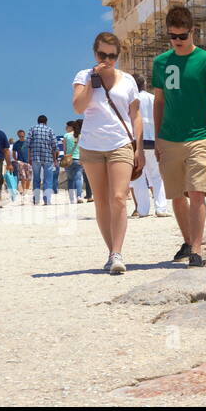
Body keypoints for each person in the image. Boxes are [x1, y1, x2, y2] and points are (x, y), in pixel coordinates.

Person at [152, 5, 206, 268]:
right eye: (172, 37)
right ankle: (188, 241)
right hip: (168, 138)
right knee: (176, 195)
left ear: (192, 32)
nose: (177, 41)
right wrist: (157, 139)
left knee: (197, 192)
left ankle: (197, 249)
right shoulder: (160, 62)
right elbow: (159, 103)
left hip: (199, 136)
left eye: (182, 36)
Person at [72, 33, 143, 274]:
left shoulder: (128, 81)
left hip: (120, 143)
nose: (107, 59)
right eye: (102, 55)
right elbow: (79, 107)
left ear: (118, 56)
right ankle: (111, 252)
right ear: (95, 54)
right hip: (91, 146)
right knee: (101, 202)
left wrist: (139, 148)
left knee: (119, 197)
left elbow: (135, 116)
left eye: (112, 56)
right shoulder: (84, 76)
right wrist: (94, 78)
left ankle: (117, 253)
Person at [130, 74, 172, 218]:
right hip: (153, 140)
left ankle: (142, 210)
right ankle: (161, 207)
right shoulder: (153, 98)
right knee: (157, 176)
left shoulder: (130, 99)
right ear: (145, 83)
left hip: (136, 142)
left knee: (138, 177)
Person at [26, 116, 56, 205]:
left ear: (37, 121)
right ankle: (47, 200)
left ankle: (36, 199)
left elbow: (28, 144)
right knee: (48, 179)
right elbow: (54, 146)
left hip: (35, 157)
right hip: (48, 158)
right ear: (46, 122)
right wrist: (55, 159)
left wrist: (29, 157)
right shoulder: (50, 130)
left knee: (36, 179)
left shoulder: (33, 129)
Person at [61, 121, 85, 204]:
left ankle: (71, 198)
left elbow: (64, 149)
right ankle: (79, 196)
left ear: (71, 127)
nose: (66, 128)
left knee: (70, 179)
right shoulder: (80, 135)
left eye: (67, 126)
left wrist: (65, 157)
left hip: (69, 159)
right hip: (78, 159)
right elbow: (82, 148)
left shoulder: (66, 135)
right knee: (78, 178)